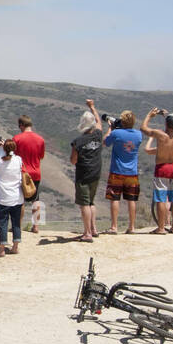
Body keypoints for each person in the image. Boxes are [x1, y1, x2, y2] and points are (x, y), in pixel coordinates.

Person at [140, 109, 173, 233]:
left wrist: (149, 115)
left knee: (161, 198)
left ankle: (161, 228)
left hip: (162, 168)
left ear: (166, 124)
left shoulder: (160, 134)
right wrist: (167, 114)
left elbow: (143, 128)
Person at [102, 109, 142, 234]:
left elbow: (105, 142)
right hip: (132, 172)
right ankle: (132, 227)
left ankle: (114, 226)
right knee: (131, 200)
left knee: (114, 198)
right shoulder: (138, 135)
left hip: (117, 171)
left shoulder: (116, 133)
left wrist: (110, 128)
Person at [70, 101, 104, 242]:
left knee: (84, 204)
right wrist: (92, 107)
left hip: (83, 174)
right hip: (96, 172)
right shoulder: (98, 135)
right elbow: (99, 122)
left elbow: (73, 160)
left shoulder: (78, 141)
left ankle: (87, 233)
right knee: (91, 202)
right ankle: (93, 228)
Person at [0, 137, 24, 256]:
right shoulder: (19, 159)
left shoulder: (0, 161)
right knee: (16, 223)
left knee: (3, 223)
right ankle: (15, 247)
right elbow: (13, 156)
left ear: (4, 148)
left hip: (3, 197)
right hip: (17, 197)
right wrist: (8, 147)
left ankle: (2, 249)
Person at [14, 116, 46, 232]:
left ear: (22, 125)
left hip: (22, 172)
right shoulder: (40, 139)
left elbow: (13, 157)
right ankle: (36, 226)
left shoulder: (17, 139)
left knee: (20, 200)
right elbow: (41, 156)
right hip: (36, 172)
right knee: (36, 199)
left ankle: (18, 226)